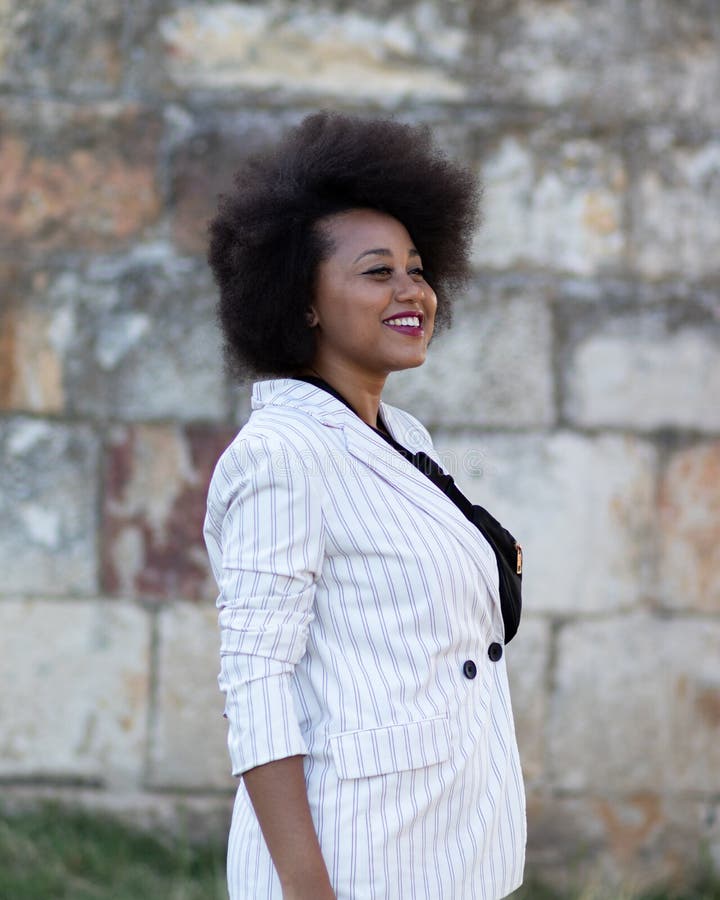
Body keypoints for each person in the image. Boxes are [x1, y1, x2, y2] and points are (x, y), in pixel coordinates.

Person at [203, 111, 526, 900]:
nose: (412, 291)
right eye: (376, 272)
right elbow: (256, 684)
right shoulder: (282, 454)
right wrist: (307, 886)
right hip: (358, 856)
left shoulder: (401, 434)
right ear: (302, 301)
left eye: (417, 268)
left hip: (452, 844)